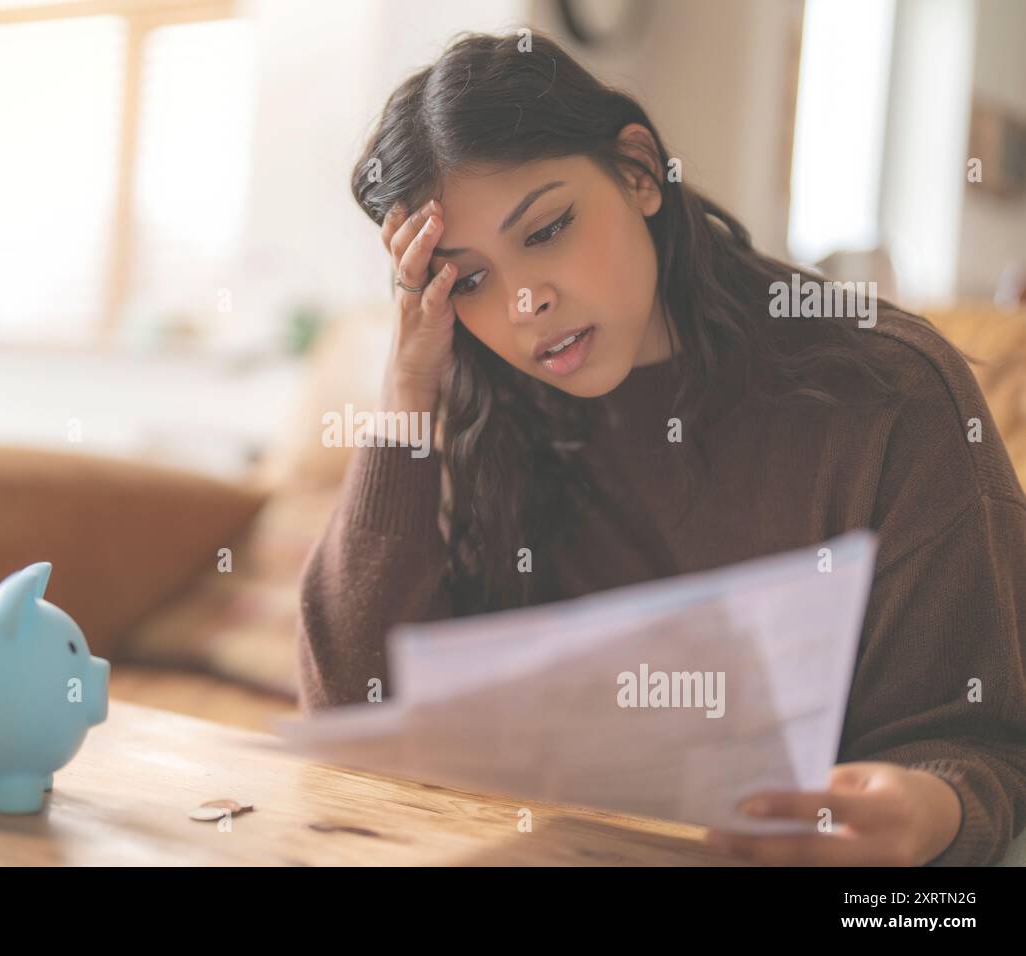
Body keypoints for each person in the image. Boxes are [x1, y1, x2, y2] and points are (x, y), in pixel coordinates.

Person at [297, 30, 1026, 866]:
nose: (527, 300)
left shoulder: (889, 398)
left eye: (547, 229)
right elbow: (352, 726)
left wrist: (927, 810)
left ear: (638, 172)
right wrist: (404, 398)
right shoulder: (475, 414)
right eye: (467, 279)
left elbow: (980, 742)